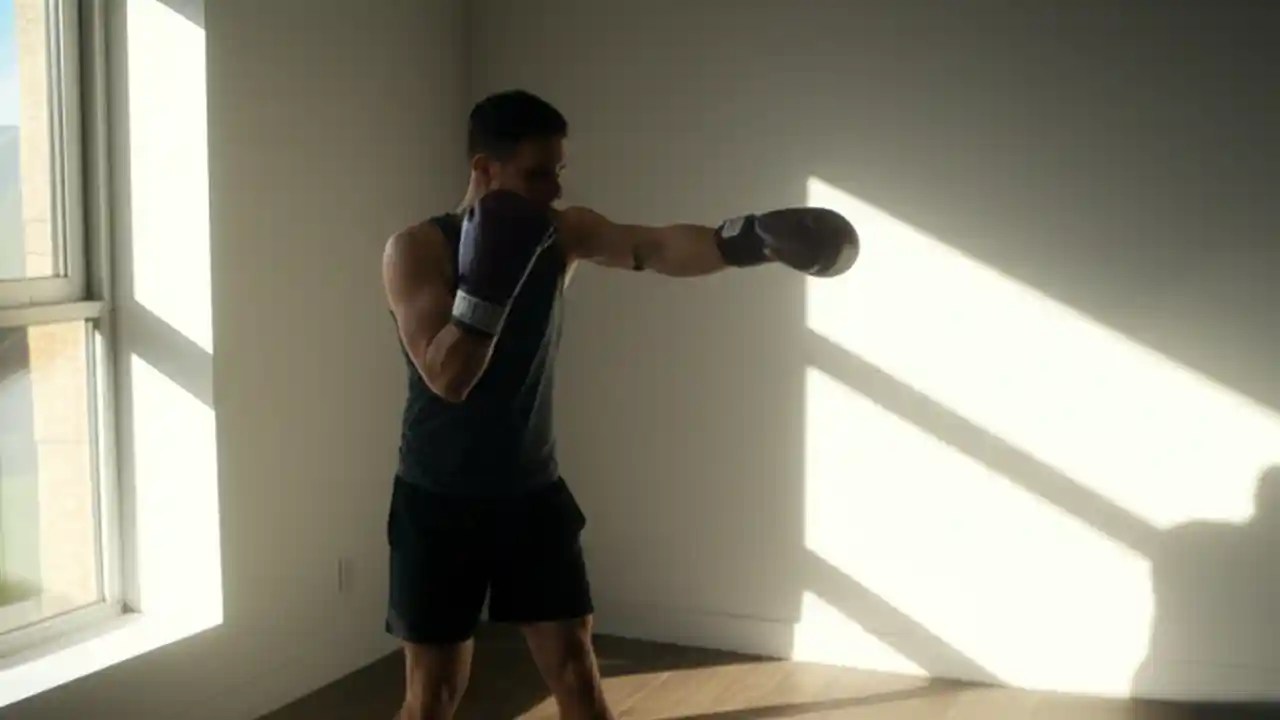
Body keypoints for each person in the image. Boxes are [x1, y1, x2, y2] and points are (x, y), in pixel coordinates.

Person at [380, 89, 857, 720]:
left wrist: (752, 241)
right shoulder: (417, 250)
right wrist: (489, 280)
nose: (552, 189)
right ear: (483, 171)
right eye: (536, 173)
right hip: (438, 498)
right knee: (434, 696)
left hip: (529, 492)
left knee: (577, 674)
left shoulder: (562, 233)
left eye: (558, 171)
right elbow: (448, 377)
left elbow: (654, 248)